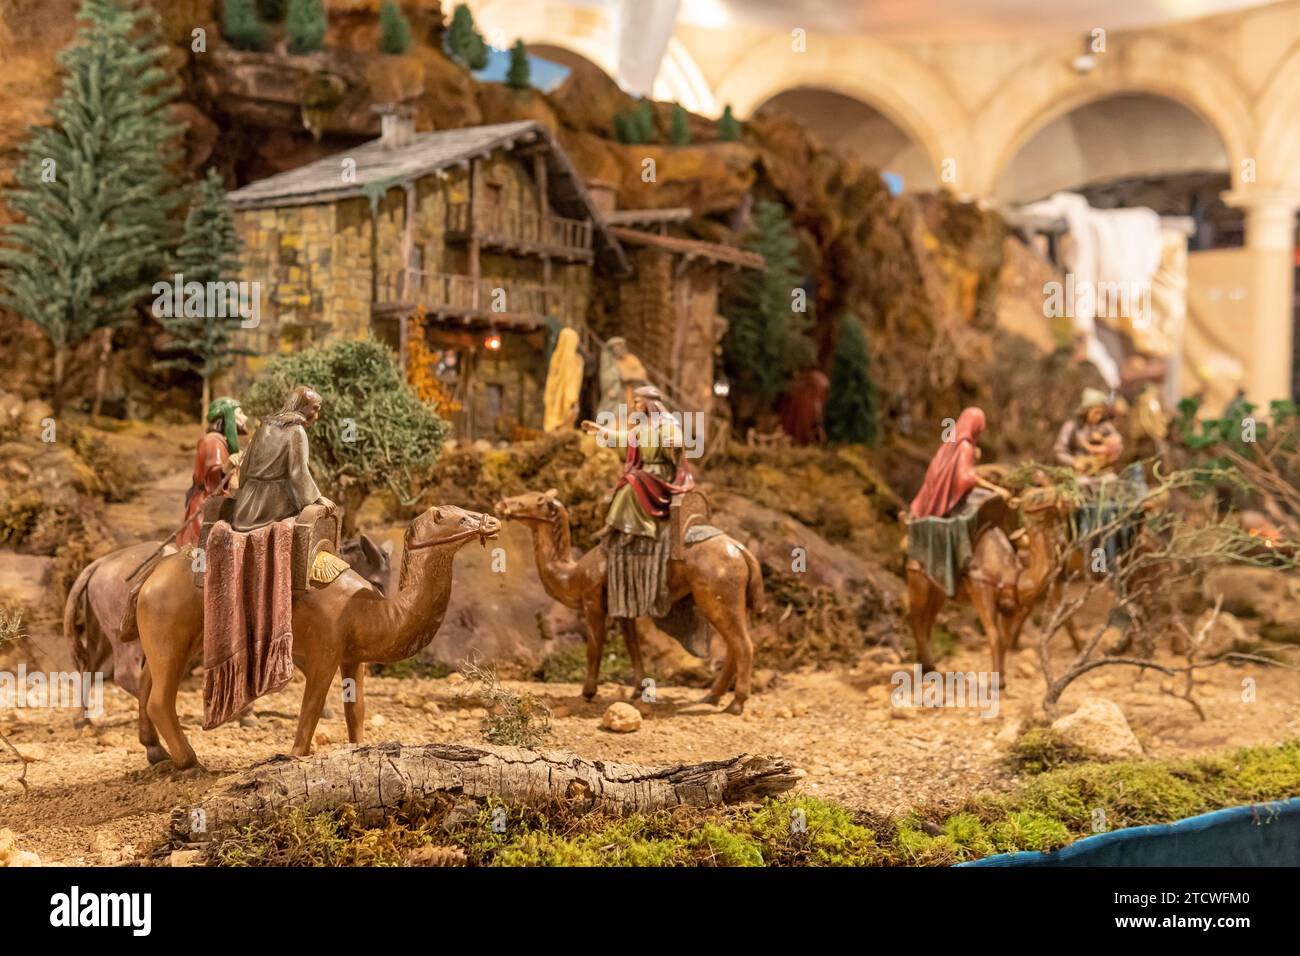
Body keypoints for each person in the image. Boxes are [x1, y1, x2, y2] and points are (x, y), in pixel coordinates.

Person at [581, 385, 693, 618]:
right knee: (624, 484)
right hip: (648, 472)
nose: (635, 406)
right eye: (635, 403)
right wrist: (600, 430)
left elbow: (679, 441)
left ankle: (632, 527)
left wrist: (674, 444)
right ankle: (620, 526)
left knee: (633, 481)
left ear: (651, 404)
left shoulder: (666, 423)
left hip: (662, 474)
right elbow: (623, 439)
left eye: (639, 402)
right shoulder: (642, 427)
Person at [232, 385, 335, 532]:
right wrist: (317, 498)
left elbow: (246, 466)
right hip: (271, 503)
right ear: (301, 406)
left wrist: (242, 492)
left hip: (246, 506)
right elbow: (298, 472)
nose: (316, 416)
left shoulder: (264, 426)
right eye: (315, 409)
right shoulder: (296, 431)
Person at [909, 407, 1008, 519]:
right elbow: (965, 479)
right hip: (950, 506)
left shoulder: (951, 443)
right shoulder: (964, 447)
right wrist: (996, 489)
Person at [179, 397, 248, 547]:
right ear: (228, 416)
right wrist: (227, 466)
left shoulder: (222, 442)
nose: (245, 417)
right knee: (205, 551)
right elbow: (212, 475)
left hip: (218, 503)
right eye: (240, 413)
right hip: (207, 507)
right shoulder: (212, 441)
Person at [1054, 388, 1124, 475]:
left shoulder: (1105, 426)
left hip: (1101, 469)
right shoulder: (1071, 426)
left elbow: (1118, 441)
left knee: (1111, 480)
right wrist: (1073, 462)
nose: (1099, 417)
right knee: (1083, 483)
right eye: (1096, 413)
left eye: (1101, 413)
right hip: (1078, 471)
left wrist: (1110, 451)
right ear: (1086, 411)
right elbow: (1059, 450)